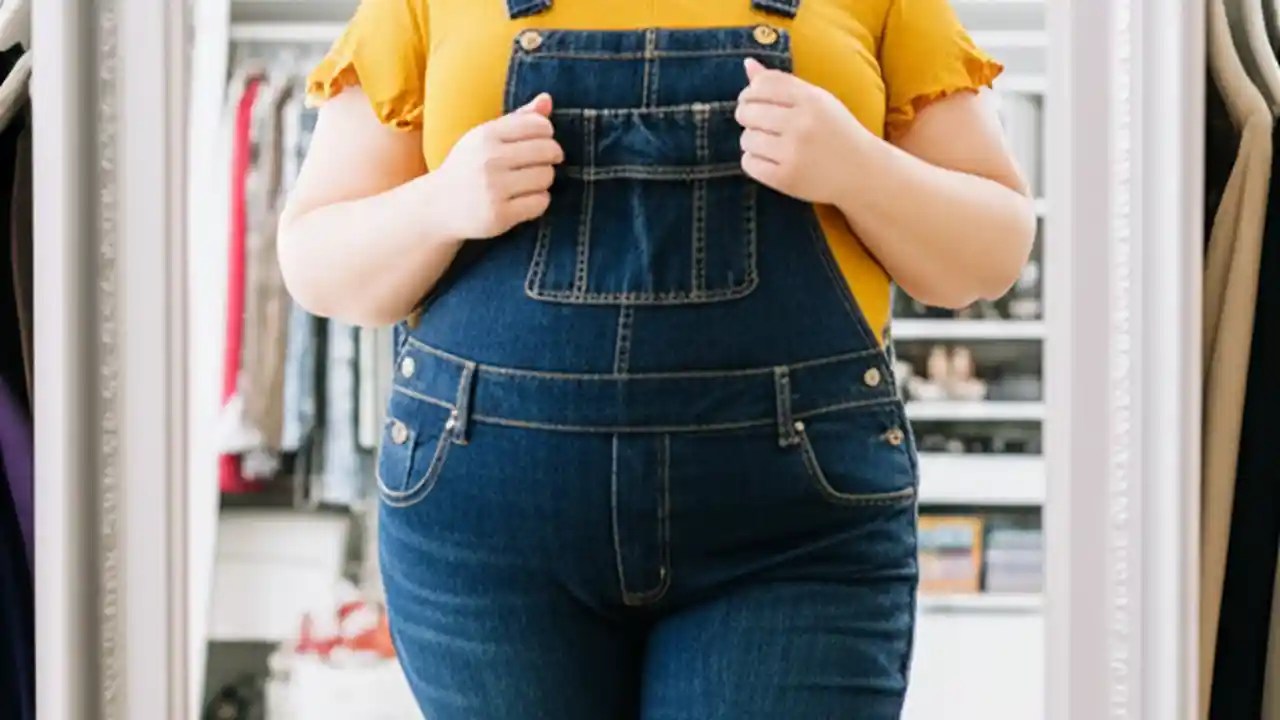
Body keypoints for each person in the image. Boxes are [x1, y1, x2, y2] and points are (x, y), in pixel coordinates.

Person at [278, 0, 1033, 717]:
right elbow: (317, 265)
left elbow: (990, 254)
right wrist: (441, 203)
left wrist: (858, 168)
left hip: (791, 544)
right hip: (488, 555)